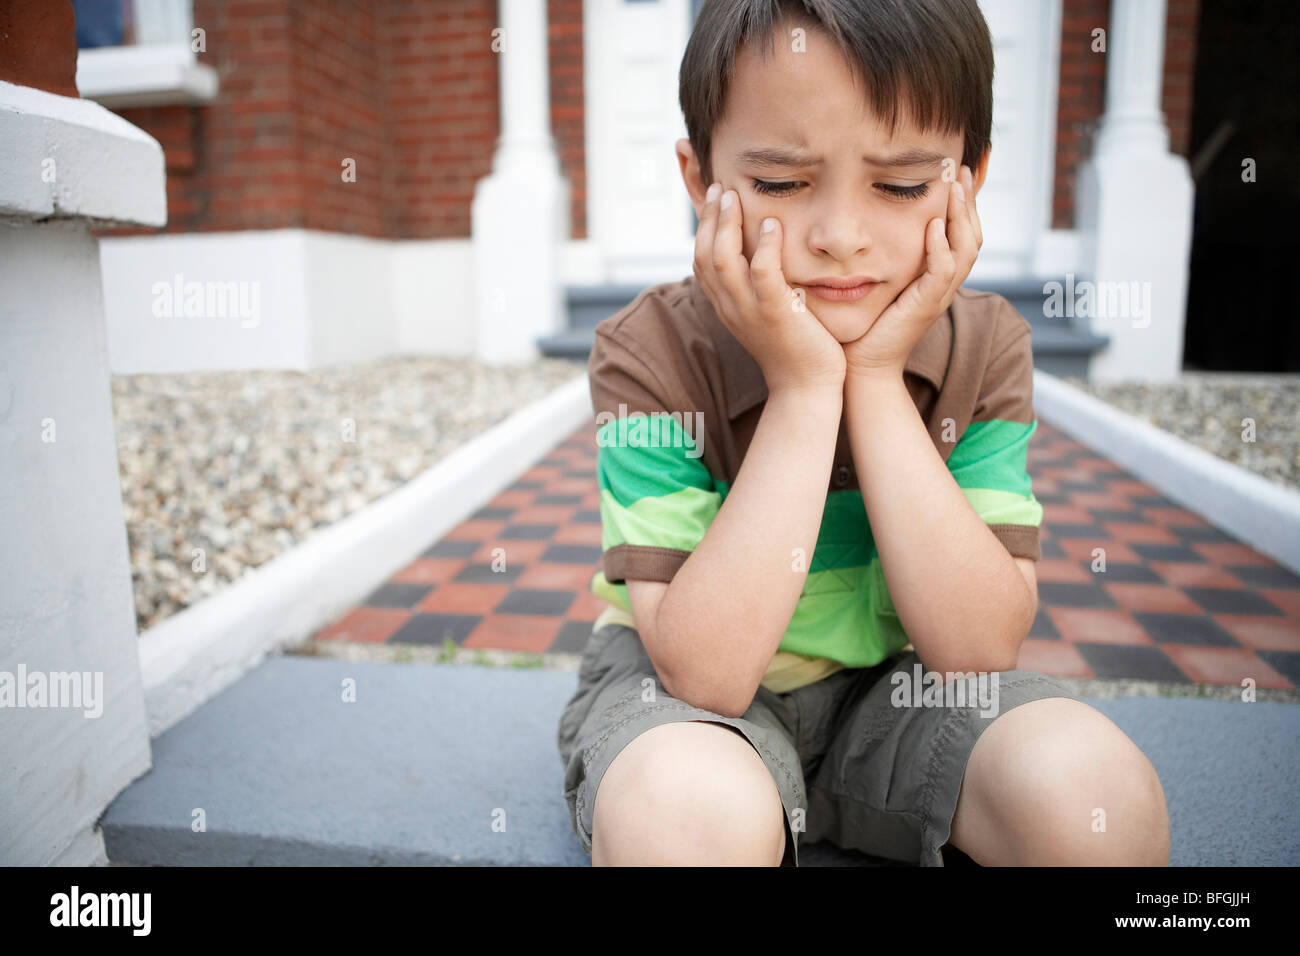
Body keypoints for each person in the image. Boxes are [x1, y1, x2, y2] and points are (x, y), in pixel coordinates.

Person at [557, 0, 1170, 867]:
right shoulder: (648, 353)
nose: (840, 238)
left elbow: (975, 648)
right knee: (684, 813)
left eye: (903, 185)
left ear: (972, 176)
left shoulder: (987, 349)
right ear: (700, 180)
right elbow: (708, 671)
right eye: (778, 182)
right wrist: (806, 388)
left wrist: (875, 379)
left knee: (1092, 793)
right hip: (684, 703)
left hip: (902, 687)